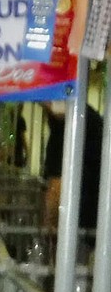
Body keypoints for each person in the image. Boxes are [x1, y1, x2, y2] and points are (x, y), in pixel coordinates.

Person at [42, 100, 104, 235]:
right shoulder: (87, 117)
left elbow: (57, 185)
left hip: (80, 218)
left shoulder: (69, 128)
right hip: (93, 215)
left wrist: (50, 224)